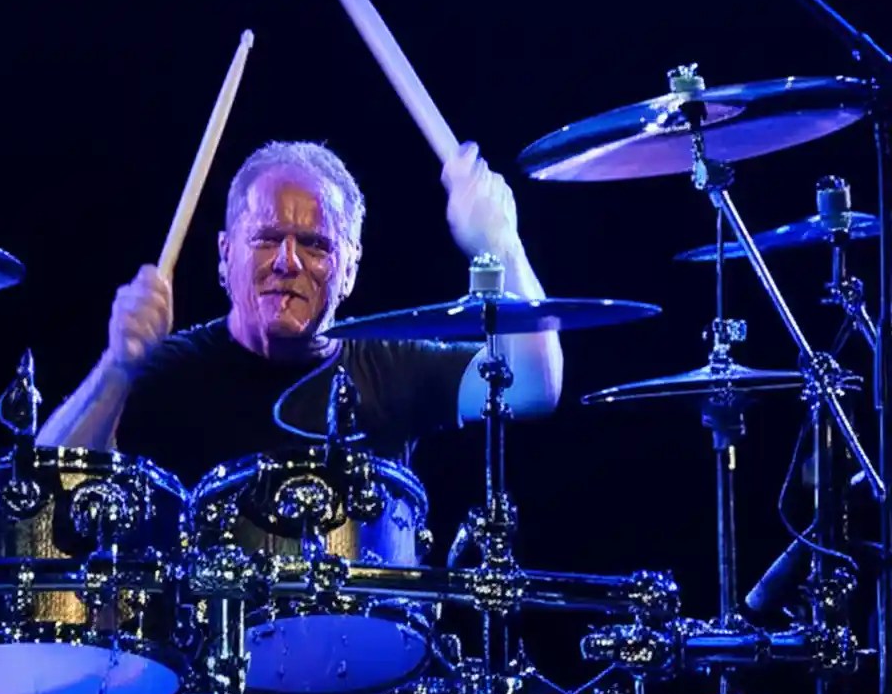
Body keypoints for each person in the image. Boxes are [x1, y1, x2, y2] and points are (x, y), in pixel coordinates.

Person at [35, 140, 563, 490]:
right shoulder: (168, 369)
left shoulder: (391, 366)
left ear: (351, 268)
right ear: (224, 255)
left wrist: (502, 246)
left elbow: (534, 386)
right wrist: (117, 368)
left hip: (365, 654)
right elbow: (48, 484)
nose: (287, 262)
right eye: (266, 239)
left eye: (314, 245)